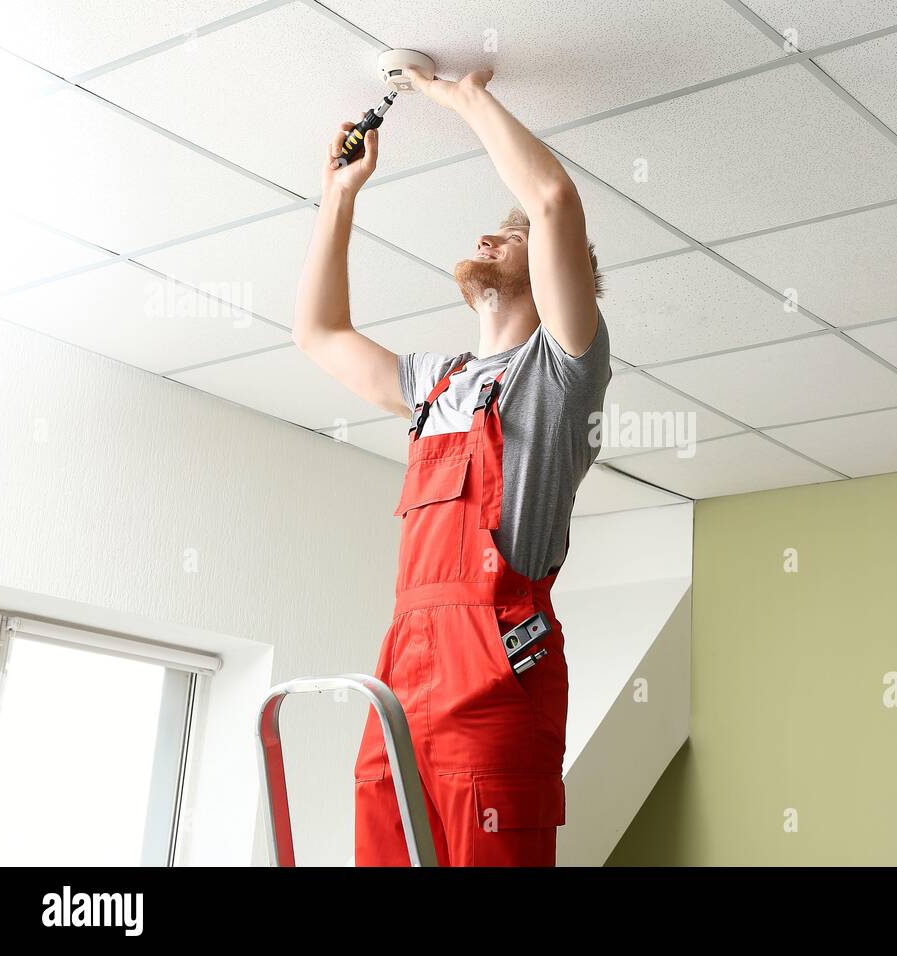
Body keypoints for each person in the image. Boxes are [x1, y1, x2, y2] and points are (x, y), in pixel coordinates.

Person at [292, 66, 611, 866]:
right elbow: (320, 335)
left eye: (512, 235)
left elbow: (554, 202)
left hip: (496, 678)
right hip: (401, 672)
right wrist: (341, 194)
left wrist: (459, 96)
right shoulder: (435, 384)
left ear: (551, 275)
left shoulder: (562, 374)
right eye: (492, 228)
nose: (490, 235)